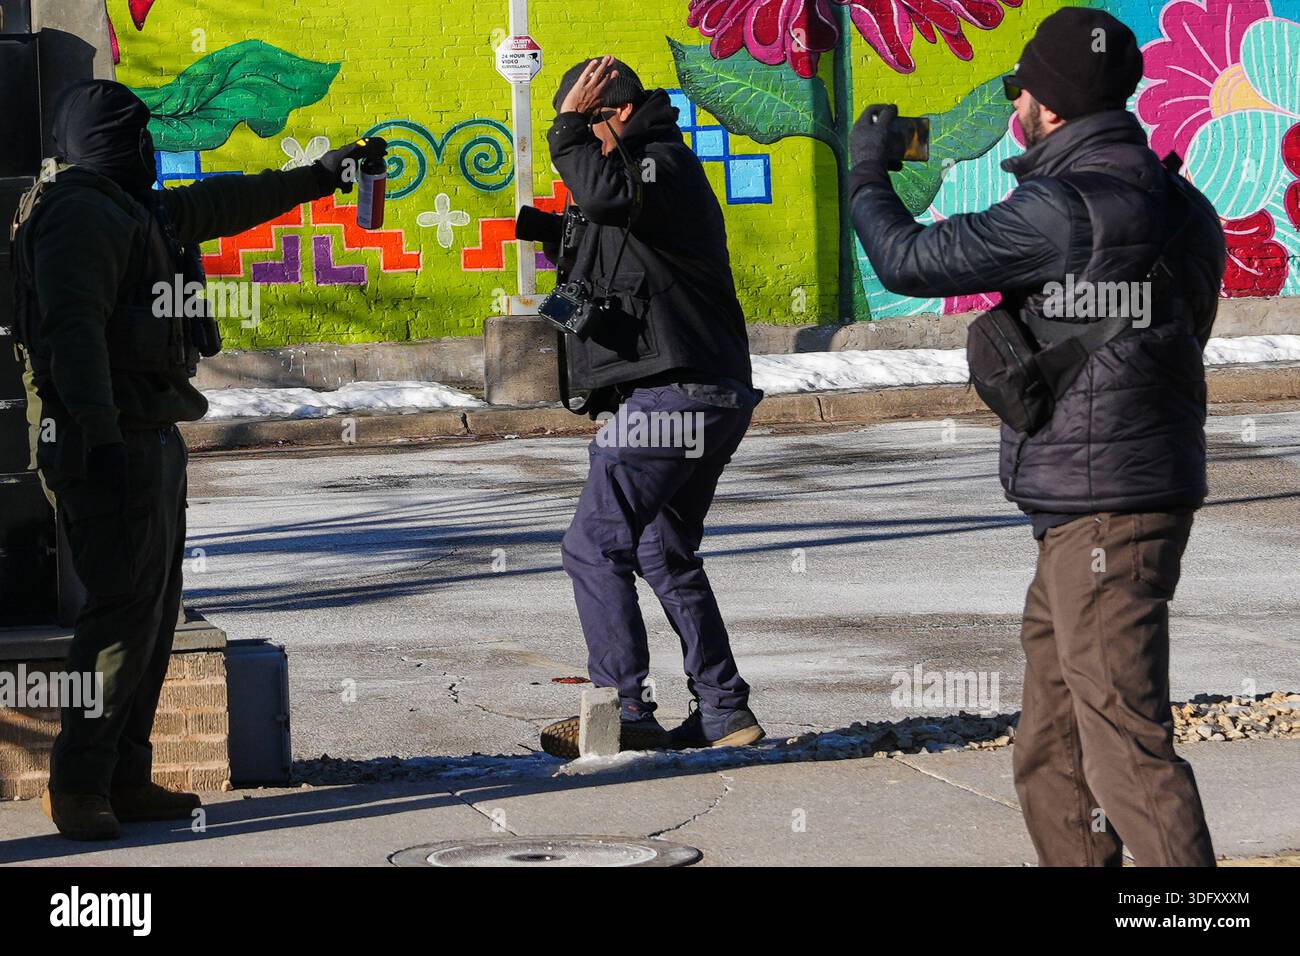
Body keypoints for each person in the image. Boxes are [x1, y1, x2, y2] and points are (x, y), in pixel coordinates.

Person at [848, 9, 1224, 866]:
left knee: (1124, 746)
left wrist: (870, 171)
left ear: (1047, 106)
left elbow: (909, 259)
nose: (1015, 103)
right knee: (1053, 746)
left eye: (1020, 88)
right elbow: (1181, 332)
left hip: (1105, 509)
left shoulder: (1060, 207)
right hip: (1105, 500)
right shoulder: (1183, 204)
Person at [12, 78, 384, 840]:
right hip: (105, 442)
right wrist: (103, 435)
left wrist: (325, 175)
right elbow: (72, 333)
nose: (151, 149)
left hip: (149, 436)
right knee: (116, 617)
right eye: (139, 134)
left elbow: (226, 202)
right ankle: (79, 783)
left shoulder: (131, 206)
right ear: (113, 140)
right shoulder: (81, 213)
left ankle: (126, 775)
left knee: (150, 613)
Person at [537, 57, 764, 759]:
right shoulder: (638, 178)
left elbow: (607, 195)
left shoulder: (661, 161)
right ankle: (724, 711)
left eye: (593, 124)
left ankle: (623, 709)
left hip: (681, 394)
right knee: (661, 548)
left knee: (591, 543)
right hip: (700, 393)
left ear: (622, 112)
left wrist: (565, 131)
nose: (587, 143)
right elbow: (609, 269)